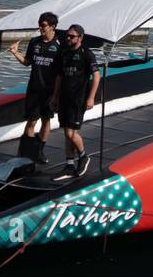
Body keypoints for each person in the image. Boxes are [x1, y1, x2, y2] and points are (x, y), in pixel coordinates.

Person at [8, 12, 62, 162]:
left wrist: (57, 95)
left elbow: (61, 72)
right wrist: (15, 52)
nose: (40, 28)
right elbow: (27, 62)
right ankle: (27, 152)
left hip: (49, 91)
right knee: (31, 121)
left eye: (43, 25)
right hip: (34, 89)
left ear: (53, 27)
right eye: (39, 24)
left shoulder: (60, 45)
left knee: (46, 120)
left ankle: (40, 150)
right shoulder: (34, 42)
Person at [51, 24, 101, 181]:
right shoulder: (64, 52)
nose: (68, 38)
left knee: (71, 133)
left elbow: (96, 76)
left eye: (72, 36)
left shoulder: (87, 54)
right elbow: (59, 76)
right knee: (66, 132)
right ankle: (69, 164)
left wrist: (91, 97)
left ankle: (84, 156)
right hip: (64, 98)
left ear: (80, 37)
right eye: (67, 35)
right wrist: (55, 97)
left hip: (78, 99)